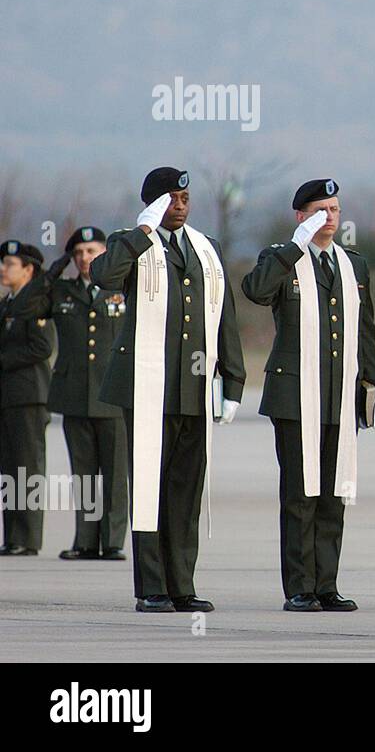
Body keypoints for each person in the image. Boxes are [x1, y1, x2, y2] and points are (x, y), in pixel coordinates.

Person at [91, 167, 245, 612]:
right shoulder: (130, 243)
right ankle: (152, 587)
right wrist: (142, 231)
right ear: (154, 204)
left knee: (185, 491)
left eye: (185, 198)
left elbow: (224, 316)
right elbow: (104, 276)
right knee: (149, 487)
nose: (180, 206)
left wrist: (233, 381)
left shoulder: (206, 248)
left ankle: (182, 585)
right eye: (171, 199)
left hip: (193, 387)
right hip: (147, 387)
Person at [242, 179, 375, 612]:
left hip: (339, 394)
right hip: (294, 395)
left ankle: (326, 584)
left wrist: (370, 385)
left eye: (335, 209)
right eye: (321, 210)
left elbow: (365, 330)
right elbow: (256, 291)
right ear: (301, 216)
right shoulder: (281, 259)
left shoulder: (352, 264)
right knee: (300, 494)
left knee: (334, 493)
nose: (330, 217)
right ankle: (299, 587)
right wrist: (294, 246)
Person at [23, 227, 129, 560]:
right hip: (74, 395)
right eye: (78, 253)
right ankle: (85, 540)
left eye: (92, 251)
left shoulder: (121, 288)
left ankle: (112, 541)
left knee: (114, 475)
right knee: (83, 475)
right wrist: (53, 271)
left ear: (105, 254)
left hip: (113, 395)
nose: (85, 258)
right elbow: (24, 306)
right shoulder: (61, 291)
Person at [0, 241, 55, 556]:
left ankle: (28, 537)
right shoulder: (8, 304)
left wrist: (4, 360)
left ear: (28, 270)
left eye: (10, 264)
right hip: (8, 398)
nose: (3, 269)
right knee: (10, 469)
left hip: (29, 397)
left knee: (27, 468)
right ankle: (12, 536)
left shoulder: (36, 304)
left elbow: (42, 347)